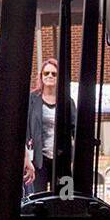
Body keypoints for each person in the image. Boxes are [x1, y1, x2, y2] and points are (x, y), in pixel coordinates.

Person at [26, 57, 75, 194]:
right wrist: (26, 157)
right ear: (41, 77)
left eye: (54, 74)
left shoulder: (67, 101)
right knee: (37, 201)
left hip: (62, 160)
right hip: (38, 160)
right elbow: (25, 129)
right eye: (46, 73)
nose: (50, 76)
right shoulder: (32, 99)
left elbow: (75, 128)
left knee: (65, 198)